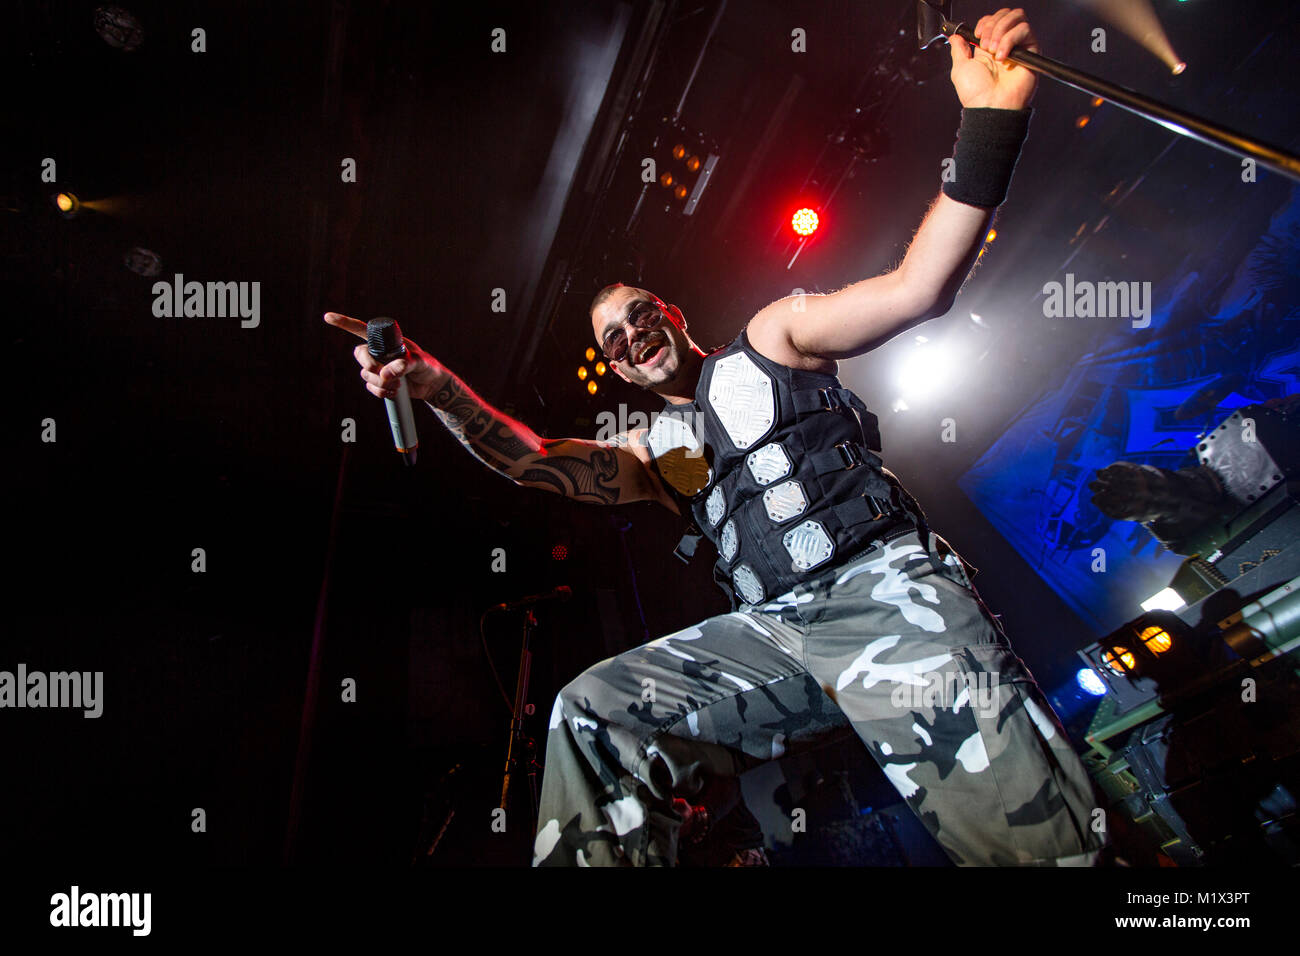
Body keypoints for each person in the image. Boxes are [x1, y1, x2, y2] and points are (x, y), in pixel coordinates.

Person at [326, 8, 1108, 866]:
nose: (631, 338)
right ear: (617, 373)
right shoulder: (656, 455)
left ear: (674, 313)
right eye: (612, 343)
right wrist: (437, 387)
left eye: (639, 316)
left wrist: (989, 124)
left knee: (1047, 854)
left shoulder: (774, 337)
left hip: (887, 599)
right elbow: (532, 462)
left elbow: (918, 288)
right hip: (774, 635)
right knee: (593, 718)